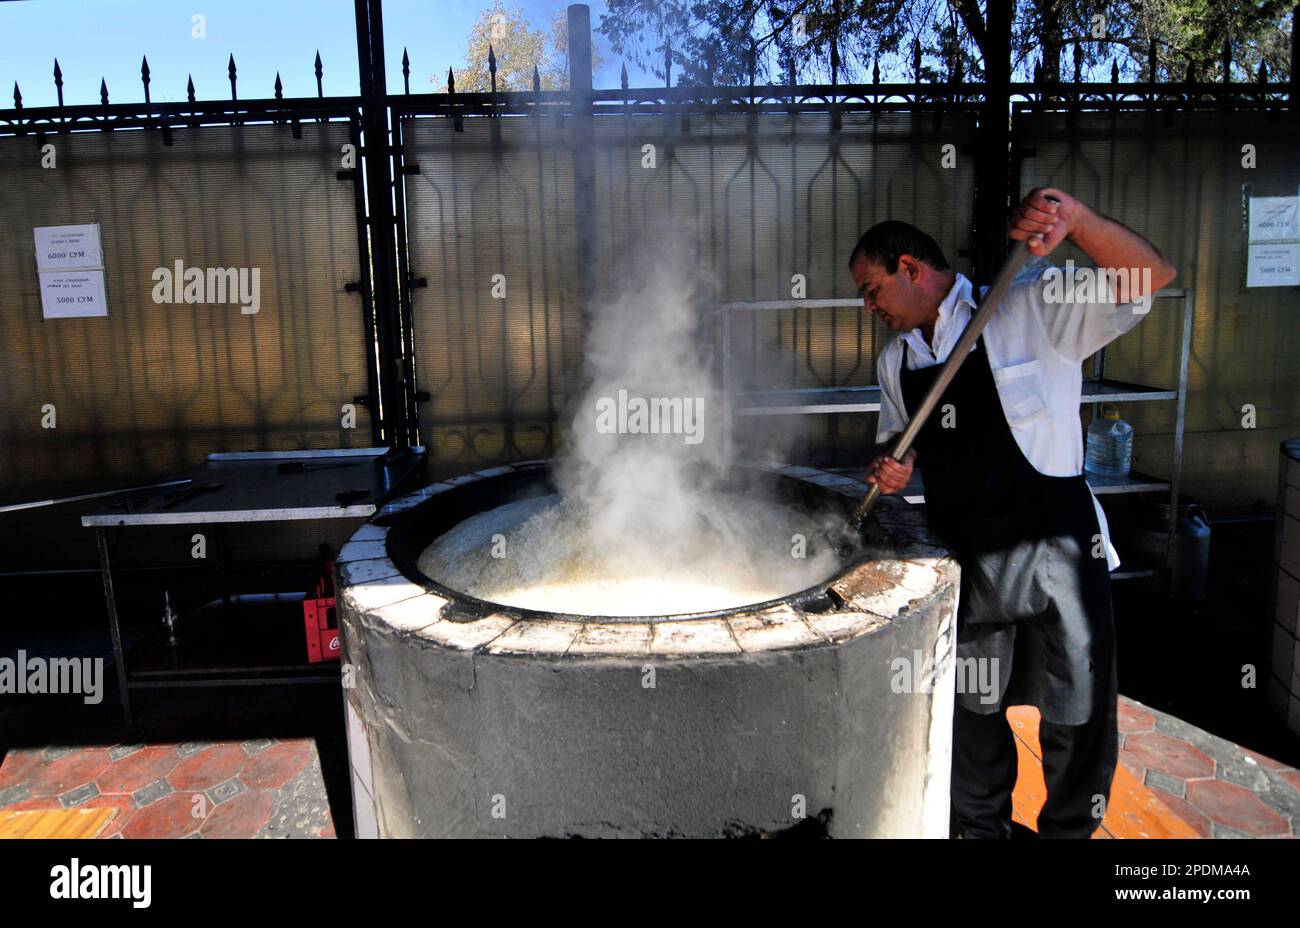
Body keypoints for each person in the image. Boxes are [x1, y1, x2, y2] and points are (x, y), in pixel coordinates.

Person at [851, 188, 1177, 838]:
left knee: (1076, 714)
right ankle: (980, 832)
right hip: (968, 563)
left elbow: (1150, 279)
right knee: (972, 716)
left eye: (872, 288)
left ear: (911, 268)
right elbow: (899, 439)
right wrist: (891, 462)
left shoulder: (1029, 306)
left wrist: (1079, 223)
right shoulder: (897, 363)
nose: (870, 307)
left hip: (1057, 552)